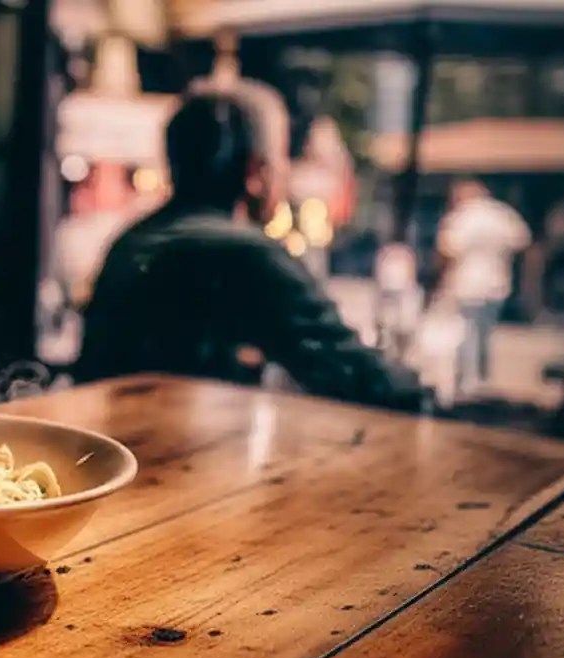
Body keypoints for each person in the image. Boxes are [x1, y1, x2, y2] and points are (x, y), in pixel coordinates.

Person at [75, 80, 424, 411]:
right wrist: (427, 398)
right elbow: (355, 373)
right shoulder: (246, 255)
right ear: (256, 172)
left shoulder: (130, 240)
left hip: (109, 456)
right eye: (281, 158)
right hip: (182, 462)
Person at [436, 179, 530, 396]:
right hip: (497, 284)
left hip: (468, 283)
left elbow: (447, 251)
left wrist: (441, 282)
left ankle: (468, 380)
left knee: (467, 331)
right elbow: (523, 242)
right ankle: (481, 376)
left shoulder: (463, 217)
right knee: (484, 332)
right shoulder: (503, 214)